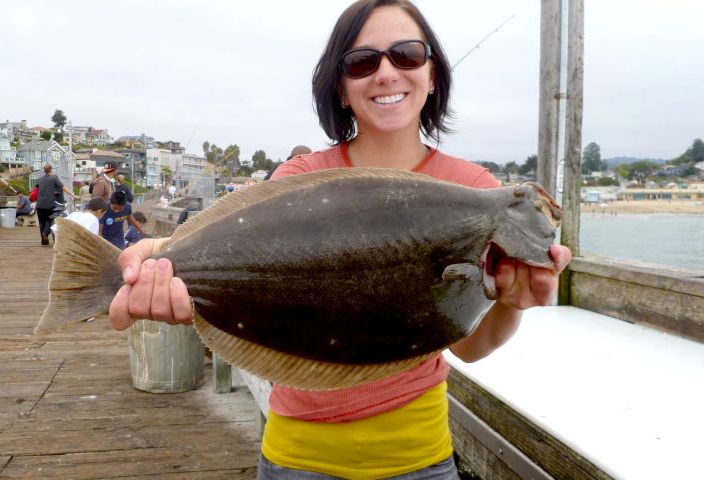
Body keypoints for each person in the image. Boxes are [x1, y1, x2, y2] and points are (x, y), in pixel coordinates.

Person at [108, 1, 572, 478]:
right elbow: (239, 256)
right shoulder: (301, 178)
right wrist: (160, 260)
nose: (387, 72)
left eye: (407, 55)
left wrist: (512, 301)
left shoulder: (475, 190)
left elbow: (468, 345)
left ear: (432, 76)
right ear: (341, 88)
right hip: (296, 459)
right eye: (362, 62)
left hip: (419, 459)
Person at [36, 164, 77, 246]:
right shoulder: (54, 178)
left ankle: (44, 241)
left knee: (42, 222)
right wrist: (72, 195)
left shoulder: (39, 179)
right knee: (53, 218)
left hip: (40, 204)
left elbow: (38, 189)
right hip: (50, 204)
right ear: (51, 170)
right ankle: (46, 232)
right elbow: (63, 187)